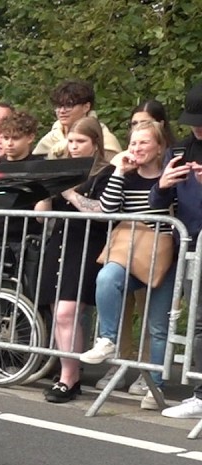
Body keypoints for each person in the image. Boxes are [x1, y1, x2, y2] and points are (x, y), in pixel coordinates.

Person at [78, 121, 176, 409]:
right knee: (107, 276)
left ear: (160, 147)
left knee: (158, 325)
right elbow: (107, 209)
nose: (136, 148)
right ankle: (107, 339)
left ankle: (154, 386)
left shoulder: (172, 176)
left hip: (162, 257)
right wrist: (119, 170)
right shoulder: (126, 177)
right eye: (133, 143)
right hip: (128, 251)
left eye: (144, 143)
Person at [37, 118, 116, 402]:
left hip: (87, 244)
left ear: (95, 143)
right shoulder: (65, 169)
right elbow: (41, 213)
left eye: (80, 142)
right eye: (70, 141)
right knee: (57, 311)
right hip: (60, 241)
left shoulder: (107, 172)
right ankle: (67, 371)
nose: (73, 147)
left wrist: (69, 192)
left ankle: (70, 377)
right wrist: (44, 191)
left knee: (67, 312)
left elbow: (100, 209)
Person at [155, 81, 202, 418]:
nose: (196, 127)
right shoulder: (181, 150)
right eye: (192, 120)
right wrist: (162, 186)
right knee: (197, 319)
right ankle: (200, 393)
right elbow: (157, 203)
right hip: (191, 245)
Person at [34, 79, 123, 158]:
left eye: (69, 105)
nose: (61, 111)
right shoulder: (50, 139)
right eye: (58, 106)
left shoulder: (104, 139)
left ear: (86, 107)